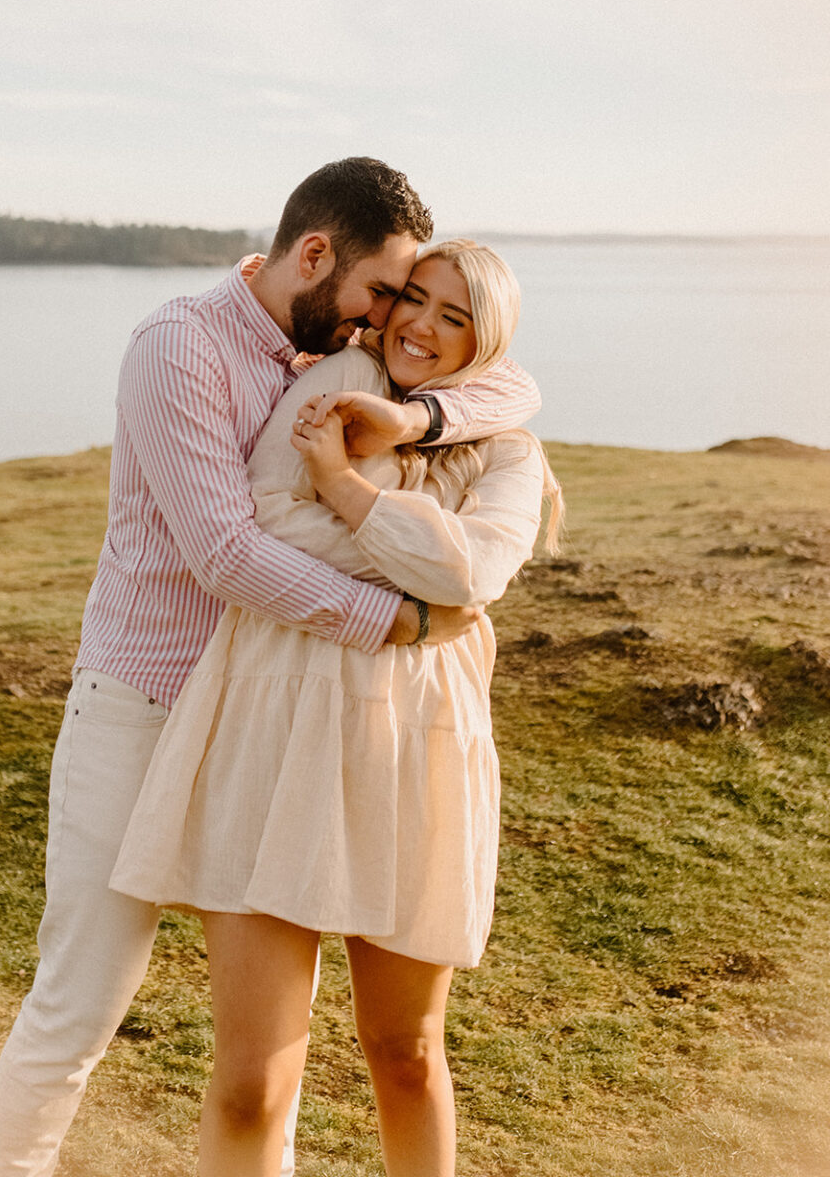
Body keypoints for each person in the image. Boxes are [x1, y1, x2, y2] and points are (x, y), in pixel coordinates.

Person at [0, 162, 542, 1177]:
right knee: (78, 1010)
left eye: (408, 301)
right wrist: (404, 616)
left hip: (275, 728)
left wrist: (418, 422)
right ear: (315, 257)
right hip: (146, 706)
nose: (389, 320)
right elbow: (228, 554)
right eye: (384, 292)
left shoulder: (338, 350)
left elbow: (503, 376)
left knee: (272, 1065)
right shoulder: (180, 346)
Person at [110, 239, 563, 1177]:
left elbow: (475, 571)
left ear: (488, 341)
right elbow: (268, 519)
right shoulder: (333, 383)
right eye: (414, 300)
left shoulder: (509, 449)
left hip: (415, 747)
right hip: (274, 731)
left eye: (455, 316)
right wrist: (423, 582)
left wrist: (349, 490)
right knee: (251, 1083)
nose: (421, 327)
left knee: (404, 1057)